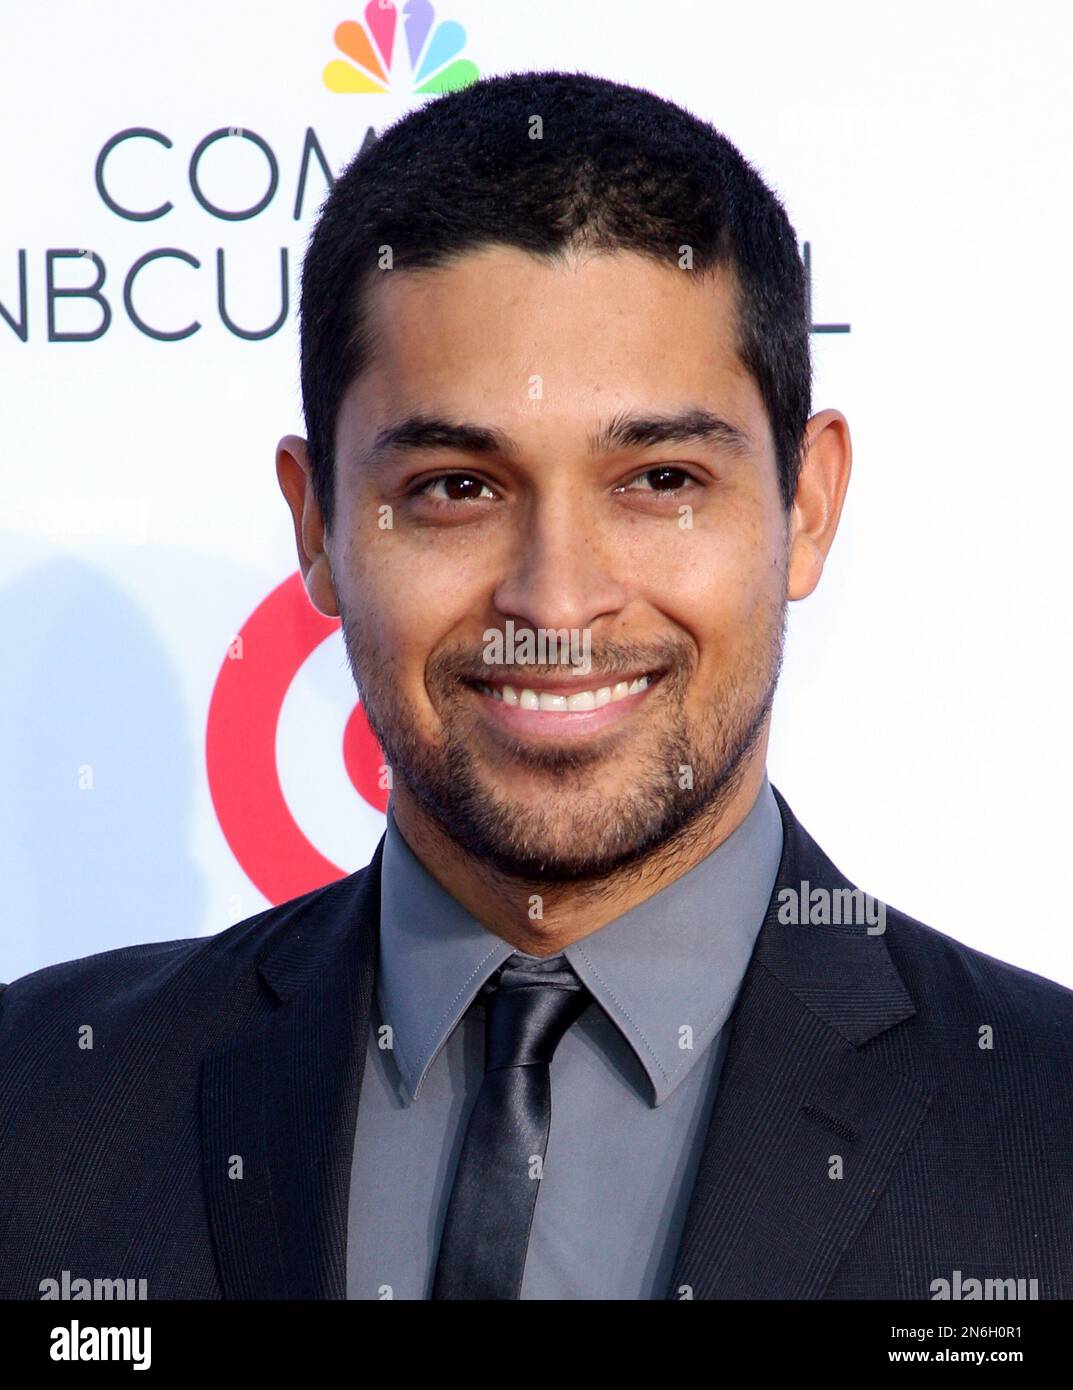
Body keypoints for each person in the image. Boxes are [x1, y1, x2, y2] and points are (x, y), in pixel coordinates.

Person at [2, 70, 1071, 1302]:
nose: (556, 603)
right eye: (457, 485)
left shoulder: (1039, 1132)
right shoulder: (40, 1110)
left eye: (659, 480)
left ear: (806, 504)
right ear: (317, 526)